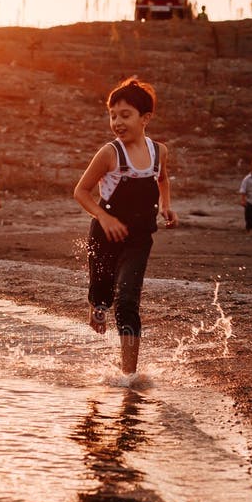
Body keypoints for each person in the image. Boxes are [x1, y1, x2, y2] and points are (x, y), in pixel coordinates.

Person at [74, 77, 178, 375]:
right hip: (104, 236)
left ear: (145, 118)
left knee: (128, 299)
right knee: (103, 294)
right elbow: (81, 191)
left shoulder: (160, 152)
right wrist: (104, 218)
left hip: (140, 237)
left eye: (125, 115)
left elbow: (162, 179)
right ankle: (95, 303)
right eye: (112, 115)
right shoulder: (110, 153)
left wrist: (167, 206)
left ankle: (128, 375)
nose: (117, 122)